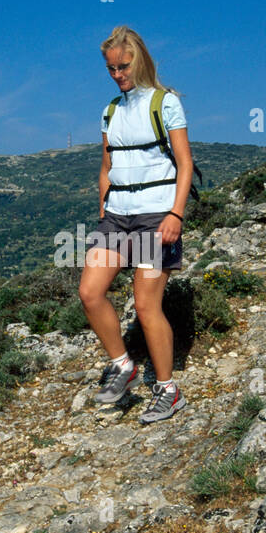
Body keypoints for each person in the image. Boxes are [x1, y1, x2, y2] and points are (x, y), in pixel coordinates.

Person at [78, 26, 193, 424]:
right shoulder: (110, 111)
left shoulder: (166, 103)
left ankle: (168, 390)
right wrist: (103, 212)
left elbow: (185, 163)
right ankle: (123, 364)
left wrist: (175, 214)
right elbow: (107, 166)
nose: (117, 74)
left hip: (154, 214)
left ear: (139, 59)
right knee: (90, 292)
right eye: (111, 69)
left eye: (123, 66)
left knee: (146, 306)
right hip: (116, 217)